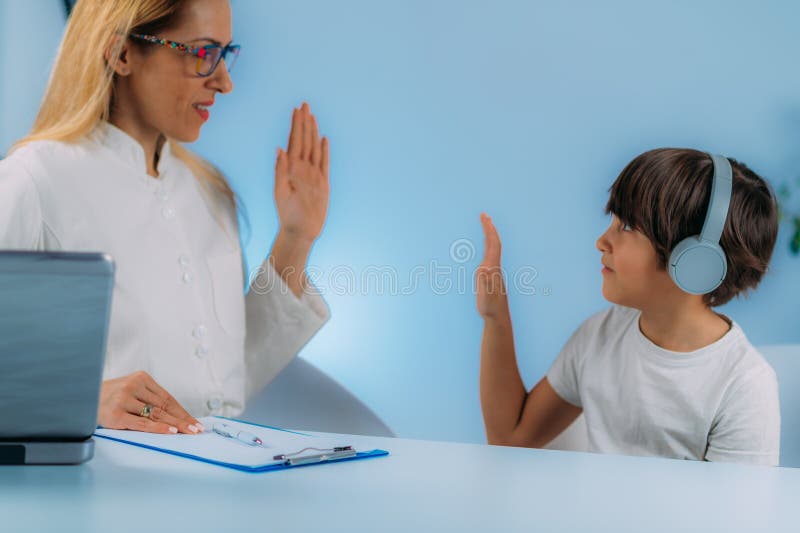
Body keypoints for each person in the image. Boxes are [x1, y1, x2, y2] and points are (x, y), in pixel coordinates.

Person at [0, 0, 330, 435]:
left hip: (221, 482)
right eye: (201, 52)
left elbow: (225, 382)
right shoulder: (35, 181)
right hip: (100, 493)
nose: (225, 82)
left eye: (225, 53)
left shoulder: (211, 195)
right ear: (121, 54)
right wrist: (85, 399)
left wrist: (296, 238)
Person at [477, 148, 781, 465]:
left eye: (627, 227)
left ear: (694, 262)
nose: (601, 241)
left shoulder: (744, 387)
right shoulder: (599, 336)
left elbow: (738, 513)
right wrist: (495, 316)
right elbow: (509, 438)